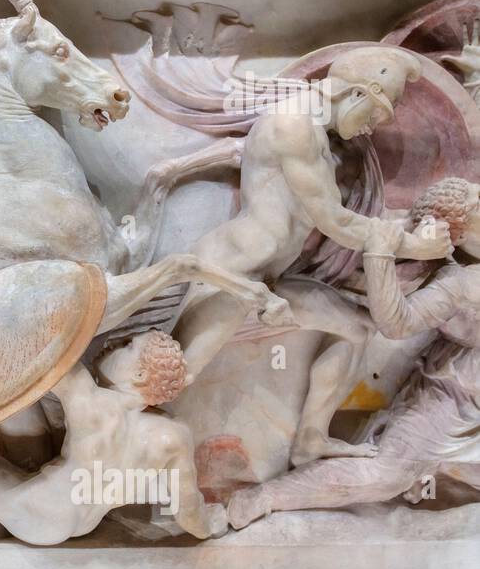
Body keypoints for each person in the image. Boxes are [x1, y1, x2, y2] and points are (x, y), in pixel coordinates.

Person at [170, 47, 453, 464]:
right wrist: (412, 246)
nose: (370, 128)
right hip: (231, 275)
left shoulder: (317, 134)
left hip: (269, 278)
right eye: (376, 116)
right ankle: (119, 443)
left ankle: (311, 439)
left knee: (357, 329)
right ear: (358, 93)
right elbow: (333, 221)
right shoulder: (293, 127)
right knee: (179, 374)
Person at [228, 177, 480, 529]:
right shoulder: (462, 284)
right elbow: (396, 324)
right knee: (388, 475)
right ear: (460, 236)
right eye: (478, 210)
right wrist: (379, 253)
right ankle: (270, 496)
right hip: (452, 399)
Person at [0, 331, 226, 544]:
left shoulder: (88, 398)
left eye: (128, 345)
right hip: (81, 525)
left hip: (36, 514)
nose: (114, 344)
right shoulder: (174, 436)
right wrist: (214, 523)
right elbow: (189, 513)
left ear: (142, 377)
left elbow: (34, 343)